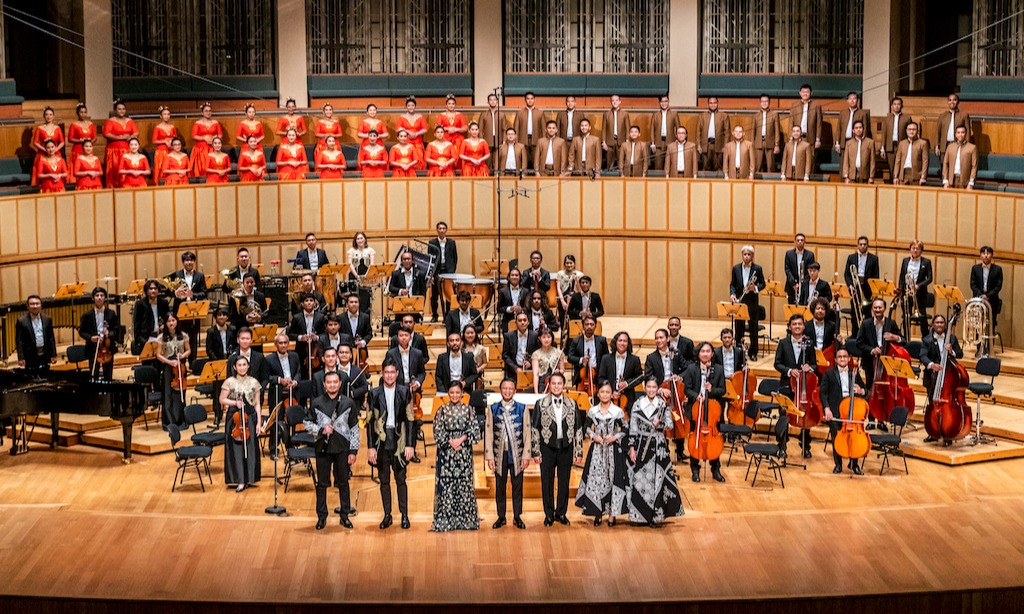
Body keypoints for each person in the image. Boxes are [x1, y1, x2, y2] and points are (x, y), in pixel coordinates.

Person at [305, 371, 359, 530]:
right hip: (323, 449)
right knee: (322, 484)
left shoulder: (348, 402)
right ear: (324, 384)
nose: (332, 385)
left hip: (342, 449)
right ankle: (322, 517)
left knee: (343, 483)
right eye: (329, 382)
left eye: (335, 382)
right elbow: (307, 424)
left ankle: (345, 515)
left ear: (340, 383)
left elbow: (355, 428)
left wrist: (353, 451)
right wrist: (321, 430)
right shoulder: (316, 403)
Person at [628, 376, 684, 527]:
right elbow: (633, 427)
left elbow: (670, 425)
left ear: (657, 388)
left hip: (658, 446)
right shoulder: (638, 404)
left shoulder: (662, 405)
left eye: (654, 387)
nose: (651, 390)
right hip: (641, 445)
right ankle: (640, 516)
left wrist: (661, 423)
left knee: (657, 482)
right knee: (640, 480)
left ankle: (655, 516)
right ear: (645, 388)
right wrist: (632, 448)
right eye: (649, 387)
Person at [366, 361, 416, 529]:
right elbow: (369, 421)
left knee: (401, 480)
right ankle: (387, 515)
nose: (389, 375)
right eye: (386, 372)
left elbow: (410, 419)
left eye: (392, 372)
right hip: (381, 441)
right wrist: (370, 447)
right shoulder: (373, 394)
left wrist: (410, 444)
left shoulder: (404, 392)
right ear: (382, 373)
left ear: (397, 373)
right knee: (384, 480)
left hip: (399, 440)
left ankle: (404, 515)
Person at [531, 372, 582, 526]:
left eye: (559, 383)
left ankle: (561, 513)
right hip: (547, 447)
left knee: (564, 482)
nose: (556, 386)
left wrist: (578, 451)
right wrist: (536, 451)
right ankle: (548, 514)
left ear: (564, 385)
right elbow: (535, 428)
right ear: (549, 384)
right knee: (546, 482)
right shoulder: (541, 403)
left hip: (566, 447)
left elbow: (578, 429)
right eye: (553, 383)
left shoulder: (572, 403)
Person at [431, 381, 482, 532]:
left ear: (462, 394)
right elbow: (437, 430)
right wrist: (450, 442)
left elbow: (475, 431)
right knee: (447, 487)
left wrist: (461, 440)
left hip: (464, 453)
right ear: (448, 393)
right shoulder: (442, 410)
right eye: (451, 393)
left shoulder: (469, 410)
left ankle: (466, 520)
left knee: (464, 485)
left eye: (457, 393)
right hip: (447, 455)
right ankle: (447, 520)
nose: (454, 395)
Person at [576, 379, 629, 526]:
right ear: (598, 394)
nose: (605, 394)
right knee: (597, 481)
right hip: (597, 451)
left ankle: (612, 515)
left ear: (612, 394)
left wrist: (615, 437)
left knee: (613, 480)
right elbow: (585, 427)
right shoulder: (593, 411)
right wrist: (594, 436)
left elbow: (625, 429)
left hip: (613, 452)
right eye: (602, 392)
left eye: (608, 392)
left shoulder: (617, 411)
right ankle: (597, 513)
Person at [485, 378, 530, 529]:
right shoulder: (493, 408)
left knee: (517, 486)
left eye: (511, 389)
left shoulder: (522, 408)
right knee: (500, 485)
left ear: (515, 391)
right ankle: (501, 516)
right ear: (500, 390)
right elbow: (489, 433)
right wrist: (489, 456)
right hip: (499, 453)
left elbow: (527, 434)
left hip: (516, 452)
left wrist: (526, 455)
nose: (508, 391)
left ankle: (517, 516)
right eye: (505, 388)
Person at [855, 297, 905, 430]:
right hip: (871, 363)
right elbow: (859, 343)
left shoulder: (891, 323)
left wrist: (895, 337)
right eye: (875, 308)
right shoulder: (866, 324)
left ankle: (882, 420)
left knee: (884, 392)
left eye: (880, 307)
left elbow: (903, 341)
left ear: (884, 309)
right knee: (872, 390)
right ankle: (871, 420)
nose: (877, 310)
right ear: (872, 309)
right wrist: (871, 350)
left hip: (886, 364)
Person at [775, 313, 819, 456]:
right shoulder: (783, 343)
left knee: (806, 414)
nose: (797, 326)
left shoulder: (809, 343)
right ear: (789, 327)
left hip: (804, 388)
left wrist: (809, 368)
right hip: (787, 386)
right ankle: (782, 446)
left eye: (800, 324)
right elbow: (777, 364)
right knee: (783, 415)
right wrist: (789, 371)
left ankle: (805, 446)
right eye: (794, 324)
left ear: (804, 326)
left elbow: (815, 365)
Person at [819, 347, 866, 474]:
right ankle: (838, 464)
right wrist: (826, 409)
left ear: (849, 358)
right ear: (835, 359)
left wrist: (861, 391)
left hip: (852, 410)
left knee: (854, 437)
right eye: (840, 357)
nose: (842, 359)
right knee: (836, 437)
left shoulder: (854, 373)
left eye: (845, 356)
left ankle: (854, 464)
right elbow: (823, 393)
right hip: (835, 411)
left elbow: (865, 391)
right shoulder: (829, 374)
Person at [684, 342, 726, 483]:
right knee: (694, 441)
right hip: (696, 411)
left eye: (708, 351)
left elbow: (723, 390)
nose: (705, 354)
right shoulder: (691, 369)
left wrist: (711, 390)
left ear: (712, 354)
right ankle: (695, 471)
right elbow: (687, 389)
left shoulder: (719, 369)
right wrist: (697, 397)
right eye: (703, 351)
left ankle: (716, 470)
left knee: (714, 441)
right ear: (698, 353)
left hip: (713, 411)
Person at [919, 314, 965, 444]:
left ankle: (947, 433)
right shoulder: (927, 340)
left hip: (948, 378)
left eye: (941, 323)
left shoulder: (952, 338)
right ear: (933, 325)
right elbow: (922, 356)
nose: (939, 325)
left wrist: (951, 351)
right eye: (937, 323)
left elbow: (960, 354)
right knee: (933, 405)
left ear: (945, 325)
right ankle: (933, 433)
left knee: (948, 407)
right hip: (932, 378)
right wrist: (931, 365)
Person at [220, 355, 262, 492]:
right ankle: (239, 480)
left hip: (249, 417)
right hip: (235, 418)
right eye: (239, 365)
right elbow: (222, 400)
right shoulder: (229, 382)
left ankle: (249, 477)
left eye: (244, 365)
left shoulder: (254, 382)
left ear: (248, 366)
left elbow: (257, 404)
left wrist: (259, 423)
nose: (242, 367)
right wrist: (234, 403)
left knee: (250, 448)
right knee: (236, 450)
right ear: (234, 367)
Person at [730, 245, 766, 360]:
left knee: (753, 329)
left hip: (752, 303)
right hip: (739, 303)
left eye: (749, 254)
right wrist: (732, 294)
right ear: (742, 255)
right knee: (738, 328)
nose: (746, 257)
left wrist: (755, 288)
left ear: (752, 256)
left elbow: (763, 284)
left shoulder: (758, 268)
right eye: (744, 254)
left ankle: (753, 353)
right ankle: (738, 352)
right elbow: (732, 284)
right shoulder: (736, 268)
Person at [156, 314, 190, 429]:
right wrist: (169, 362)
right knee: (168, 394)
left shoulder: (183, 335)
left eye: (173, 320)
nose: (171, 323)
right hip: (168, 367)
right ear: (165, 323)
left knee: (180, 394)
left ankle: (180, 421)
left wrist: (182, 355)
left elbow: (188, 350)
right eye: (169, 321)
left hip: (180, 366)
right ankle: (169, 422)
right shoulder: (161, 337)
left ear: (177, 321)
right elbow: (158, 355)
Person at [78, 287, 120, 380]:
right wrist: (91, 337)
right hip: (93, 348)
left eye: (102, 295)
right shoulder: (87, 315)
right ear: (93, 298)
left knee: (108, 375)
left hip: (107, 348)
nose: (99, 297)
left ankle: (108, 394)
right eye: (97, 296)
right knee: (94, 375)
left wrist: (109, 333)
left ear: (105, 298)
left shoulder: (111, 313)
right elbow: (82, 331)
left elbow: (116, 330)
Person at [598, 331, 643, 415]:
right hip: (609, 397)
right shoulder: (606, 358)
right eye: (620, 340)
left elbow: (639, 377)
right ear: (615, 342)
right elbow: (601, 378)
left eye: (625, 341)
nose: (622, 343)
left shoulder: (634, 359)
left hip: (628, 399)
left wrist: (626, 383)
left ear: (628, 344)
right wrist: (610, 392)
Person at [205, 308, 236, 429]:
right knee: (218, 390)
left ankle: (232, 415)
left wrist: (231, 358)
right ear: (215, 317)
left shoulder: (232, 330)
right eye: (219, 315)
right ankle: (217, 415)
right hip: (217, 363)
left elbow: (235, 345)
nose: (222, 317)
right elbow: (209, 350)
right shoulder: (211, 331)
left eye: (224, 315)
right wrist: (218, 361)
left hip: (230, 362)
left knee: (232, 390)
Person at [898, 240, 933, 338]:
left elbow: (930, 278)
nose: (915, 250)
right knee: (906, 316)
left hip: (920, 293)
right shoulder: (905, 261)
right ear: (910, 249)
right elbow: (901, 277)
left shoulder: (926, 262)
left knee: (922, 317)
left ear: (921, 250)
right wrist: (900, 290)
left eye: (918, 248)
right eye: (913, 248)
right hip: (907, 293)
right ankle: (906, 337)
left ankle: (925, 339)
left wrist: (919, 285)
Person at [844, 236, 879, 330]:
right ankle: (855, 334)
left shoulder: (874, 259)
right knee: (854, 313)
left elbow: (876, 276)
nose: (863, 246)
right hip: (855, 289)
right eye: (861, 244)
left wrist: (874, 291)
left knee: (867, 313)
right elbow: (847, 274)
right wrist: (850, 285)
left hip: (867, 289)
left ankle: (866, 334)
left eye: (865, 244)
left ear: (868, 245)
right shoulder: (851, 257)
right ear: (857, 245)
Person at [288, 293, 326, 378]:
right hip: (301, 350)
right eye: (306, 301)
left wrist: (317, 337)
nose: (309, 303)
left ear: (315, 303)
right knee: (302, 372)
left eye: (311, 300)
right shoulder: (296, 317)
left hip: (316, 350)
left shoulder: (321, 317)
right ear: (302, 304)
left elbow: (325, 334)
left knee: (317, 373)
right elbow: (290, 334)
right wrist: (300, 337)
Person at [15, 295, 57, 371]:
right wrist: (21, 357)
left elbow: (51, 338)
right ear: (27, 306)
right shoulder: (21, 321)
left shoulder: (47, 319)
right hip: (30, 355)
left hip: (45, 354)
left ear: (41, 305)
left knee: (46, 375)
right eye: (32, 304)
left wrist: (53, 355)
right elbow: (19, 341)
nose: (35, 306)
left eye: (37, 303)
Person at [102, 100, 138, 188]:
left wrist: (131, 136)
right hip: (113, 151)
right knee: (114, 170)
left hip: (127, 150)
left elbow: (136, 132)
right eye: (119, 109)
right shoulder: (110, 121)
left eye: (123, 109)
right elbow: (106, 134)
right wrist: (121, 137)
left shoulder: (130, 120)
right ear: (115, 110)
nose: (121, 111)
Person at [970, 246, 1003, 338]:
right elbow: (973, 284)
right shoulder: (975, 268)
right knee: (978, 323)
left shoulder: (997, 269)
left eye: (988, 253)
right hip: (978, 300)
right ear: (980, 255)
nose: (986, 255)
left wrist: (987, 296)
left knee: (990, 325)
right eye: (983, 253)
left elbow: (998, 286)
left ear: (991, 255)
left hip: (992, 301)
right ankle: (979, 347)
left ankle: (989, 348)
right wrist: (980, 295)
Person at [429, 220, 459, 322]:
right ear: (437, 230)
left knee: (448, 294)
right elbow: (430, 259)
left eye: (443, 228)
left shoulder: (451, 242)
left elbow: (455, 258)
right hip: (437, 270)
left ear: (446, 230)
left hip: (448, 271)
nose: (441, 230)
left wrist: (452, 271)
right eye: (440, 228)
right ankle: (435, 315)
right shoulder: (432, 243)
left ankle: (447, 315)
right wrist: (431, 274)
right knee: (434, 295)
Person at [130, 279, 169, 356]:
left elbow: (168, 319)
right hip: (146, 339)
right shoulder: (140, 304)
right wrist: (143, 342)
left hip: (161, 337)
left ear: (158, 290)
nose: (153, 291)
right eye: (151, 289)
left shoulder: (163, 303)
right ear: (146, 291)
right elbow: (137, 326)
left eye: (155, 288)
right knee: (147, 365)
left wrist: (165, 326)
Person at [31, 108, 66, 186]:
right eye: (46, 114)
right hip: (43, 154)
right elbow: (35, 142)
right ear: (44, 116)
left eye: (50, 115)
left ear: (53, 116)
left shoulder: (57, 128)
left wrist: (55, 149)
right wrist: (45, 149)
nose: (48, 116)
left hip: (55, 154)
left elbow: (62, 142)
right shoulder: (39, 128)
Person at [881, 97, 913, 182]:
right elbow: (884, 133)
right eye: (894, 104)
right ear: (892, 106)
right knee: (892, 168)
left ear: (901, 106)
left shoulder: (906, 118)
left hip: (902, 146)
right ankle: (893, 184)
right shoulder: (887, 118)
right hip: (890, 146)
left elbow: (910, 131)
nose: (896, 106)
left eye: (898, 104)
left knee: (901, 167)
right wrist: (882, 148)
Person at [790, 84, 823, 164]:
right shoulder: (794, 105)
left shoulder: (816, 105)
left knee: (810, 160)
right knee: (798, 160)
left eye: (807, 92)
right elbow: (791, 122)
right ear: (800, 93)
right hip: (797, 137)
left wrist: (818, 139)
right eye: (803, 92)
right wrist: (790, 137)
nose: (805, 94)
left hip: (810, 137)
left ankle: (809, 176)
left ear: (811, 93)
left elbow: (819, 123)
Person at [502, 311, 540, 381]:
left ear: (528, 322)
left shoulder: (535, 336)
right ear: (516, 322)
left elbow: (538, 352)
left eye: (524, 320)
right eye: (520, 320)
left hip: (530, 369)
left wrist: (530, 362)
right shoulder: (508, 336)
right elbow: (505, 355)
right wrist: (515, 368)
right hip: (513, 371)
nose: (522, 322)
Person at [189, 103, 223, 177]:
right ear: (202, 112)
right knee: (201, 168)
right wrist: (204, 138)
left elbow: (220, 134)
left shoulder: (216, 123)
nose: (208, 113)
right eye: (206, 111)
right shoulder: (197, 123)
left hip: (212, 148)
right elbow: (193, 136)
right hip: (200, 150)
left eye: (210, 111)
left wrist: (214, 139)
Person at [67, 103, 97, 185]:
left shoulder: (90, 124)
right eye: (81, 112)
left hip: (88, 150)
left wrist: (89, 143)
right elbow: (70, 139)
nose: (83, 114)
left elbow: (95, 137)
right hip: (78, 150)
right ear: (77, 113)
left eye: (85, 112)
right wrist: (80, 141)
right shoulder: (74, 125)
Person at [697, 97, 729, 172]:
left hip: (719, 146)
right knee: (705, 167)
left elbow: (727, 132)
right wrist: (698, 144)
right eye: (711, 103)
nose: (712, 105)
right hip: (706, 145)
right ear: (708, 104)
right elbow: (698, 131)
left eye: (714, 103)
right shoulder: (702, 116)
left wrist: (725, 146)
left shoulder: (723, 115)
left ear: (717, 104)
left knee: (719, 168)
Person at [752, 94, 782, 173]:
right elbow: (753, 132)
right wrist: (752, 145)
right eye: (762, 101)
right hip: (758, 143)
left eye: (766, 101)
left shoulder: (774, 115)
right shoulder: (756, 116)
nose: (764, 103)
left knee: (770, 166)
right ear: (760, 103)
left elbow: (777, 131)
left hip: (770, 143)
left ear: (769, 102)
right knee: (757, 166)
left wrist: (777, 144)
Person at [513, 92, 544, 168]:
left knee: (536, 163)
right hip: (523, 141)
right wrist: (516, 141)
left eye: (532, 99)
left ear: (534, 100)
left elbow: (543, 129)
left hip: (536, 141)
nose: (530, 100)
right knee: (523, 163)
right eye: (528, 99)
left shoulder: (540, 113)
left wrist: (543, 141)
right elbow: (516, 128)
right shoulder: (519, 112)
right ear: (525, 100)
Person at [936, 93, 972, 159]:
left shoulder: (964, 115)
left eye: (954, 100)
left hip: (958, 144)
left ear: (958, 102)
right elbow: (938, 132)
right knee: (944, 166)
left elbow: (968, 131)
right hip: (944, 145)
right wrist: (937, 145)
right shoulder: (942, 116)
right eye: (950, 100)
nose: (952, 102)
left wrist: (966, 145)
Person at [942, 125, 978, 190]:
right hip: (951, 181)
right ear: (955, 134)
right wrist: (945, 180)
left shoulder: (972, 148)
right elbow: (945, 163)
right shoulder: (950, 147)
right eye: (958, 132)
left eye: (962, 132)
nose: (960, 135)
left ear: (966, 134)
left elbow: (974, 166)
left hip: (965, 182)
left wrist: (971, 183)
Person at [649, 95, 678, 171]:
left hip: (671, 143)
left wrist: (677, 141)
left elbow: (678, 128)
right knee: (658, 165)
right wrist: (652, 143)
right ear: (659, 103)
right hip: (658, 143)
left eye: (666, 101)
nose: (664, 103)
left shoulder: (674, 114)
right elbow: (652, 129)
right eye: (662, 101)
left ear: (668, 102)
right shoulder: (655, 115)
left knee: (671, 165)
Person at [396, 97, 428, 166]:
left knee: (419, 161)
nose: (411, 107)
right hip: (406, 142)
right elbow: (397, 129)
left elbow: (425, 129)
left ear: (415, 106)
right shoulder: (402, 117)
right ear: (406, 107)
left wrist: (417, 133)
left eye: (412, 105)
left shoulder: (420, 116)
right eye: (409, 105)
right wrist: (407, 131)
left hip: (418, 142)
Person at [784, 233, 815, 305]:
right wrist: (794, 284)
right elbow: (787, 270)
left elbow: (810, 270)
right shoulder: (789, 254)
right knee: (791, 307)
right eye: (798, 240)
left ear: (805, 242)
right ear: (795, 242)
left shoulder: (810, 255)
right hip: (791, 286)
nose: (800, 242)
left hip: (805, 285)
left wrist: (803, 283)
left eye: (802, 240)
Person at [601, 95, 630, 170]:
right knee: (609, 163)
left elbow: (627, 128)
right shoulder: (606, 114)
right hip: (609, 142)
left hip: (621, 142)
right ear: (611, 102)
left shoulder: (625, 114)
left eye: (616, 100)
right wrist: (604, 142)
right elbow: (604, 129)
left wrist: (627, 140)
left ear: (620, 102)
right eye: (613, 100)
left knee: (621, 162)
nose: (615, 102)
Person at [531, 328, 564, 394]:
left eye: (549, 337)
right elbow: (536, 374)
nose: (546, 340)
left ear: (552, 338)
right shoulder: (536, 354)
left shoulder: (559, 353)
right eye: (544, 337)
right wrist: (536, 392)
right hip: (542, 383)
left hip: (556, 382)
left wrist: (559, 371)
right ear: (539, 338)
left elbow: (562, 370)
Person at [477, 93, 503, 171]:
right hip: (487, 140)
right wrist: (482, 141)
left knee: (498, 162)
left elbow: (505, 129)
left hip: (499, 140)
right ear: (488, 102)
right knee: (487, 162)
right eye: (490, 100)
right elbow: (480, 129)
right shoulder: (483, 114)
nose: (492, 101)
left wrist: (504, 140)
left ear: (497, 102)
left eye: (494, 100)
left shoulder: (501, 114)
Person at [555, 254, 583, 325]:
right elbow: (558, 288)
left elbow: (581, 292)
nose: (569, 265)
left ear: (574, 264)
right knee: (563, 320)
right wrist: (562, 301)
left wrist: (577, 282)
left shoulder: (579, 274)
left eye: (571, 263)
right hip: (563, 298)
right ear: (564, 264)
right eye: (567, 263)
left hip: (575, 299)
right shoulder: (560, 273)